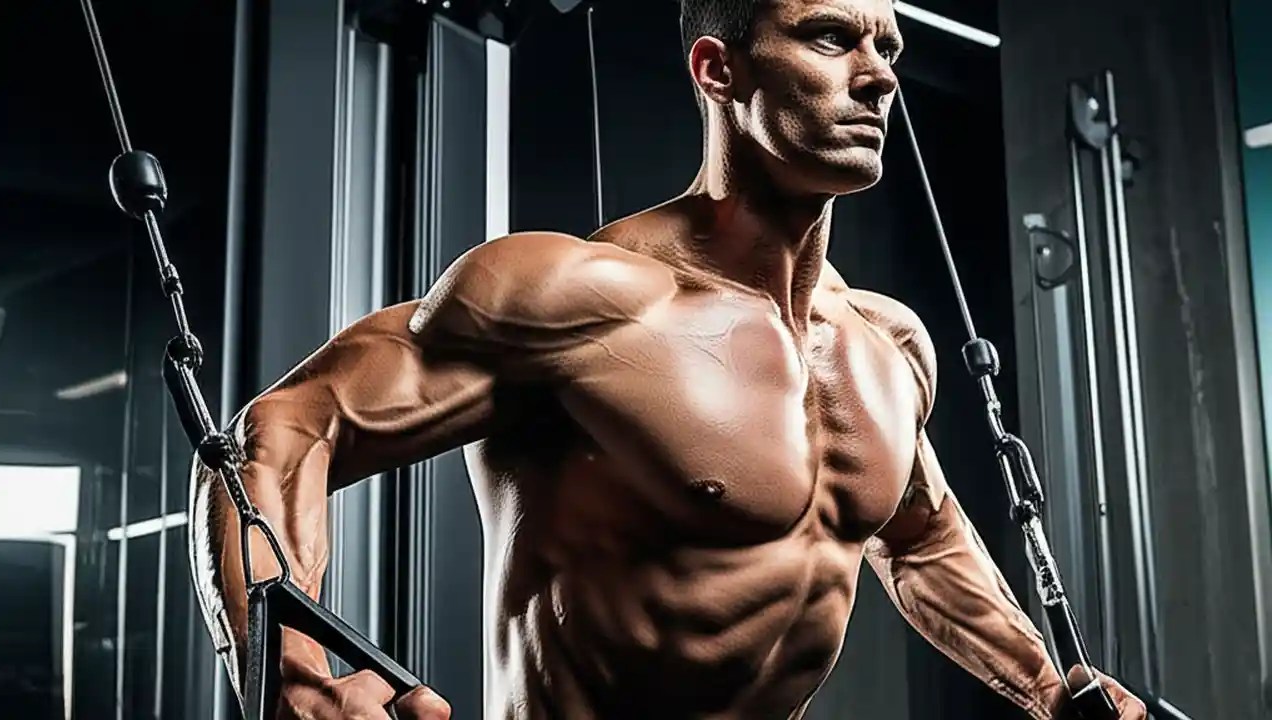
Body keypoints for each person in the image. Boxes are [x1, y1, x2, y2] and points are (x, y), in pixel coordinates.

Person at [190, 0, 1148, 718]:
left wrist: (1044, 687)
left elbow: (921, 535)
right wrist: (286, 670)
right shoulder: (580, 299)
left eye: (887, 46)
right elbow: (284, 429)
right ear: (719, 70)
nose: (880, 75)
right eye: (829, 37)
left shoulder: (887, 341)